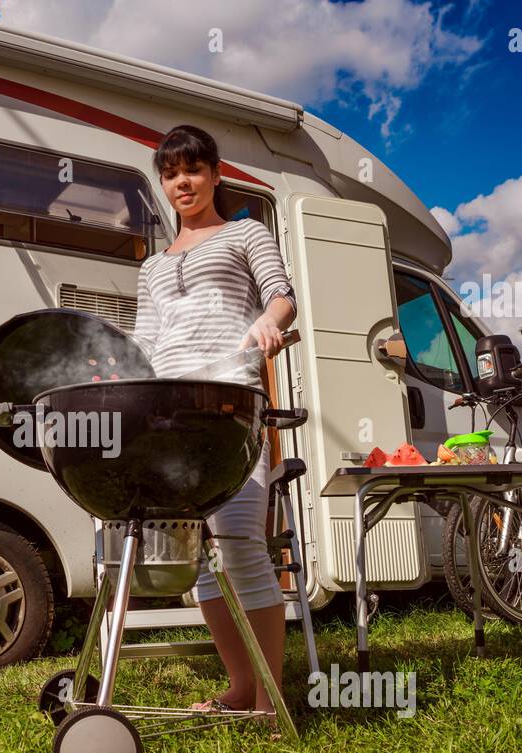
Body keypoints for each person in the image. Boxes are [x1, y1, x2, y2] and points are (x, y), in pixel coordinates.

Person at [131, 125, 298, 717]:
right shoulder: (151, 268)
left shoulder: (245, 233)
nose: (184, 182)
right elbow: (147, 340)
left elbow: (282, 295)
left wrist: (267, 324)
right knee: (196, 558)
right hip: (170, 417)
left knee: (242, 546)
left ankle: (269, 701)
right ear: (163, 182)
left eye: (194, 170)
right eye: (172, 173)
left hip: (229, 405)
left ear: (215, 174)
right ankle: (241, 687)